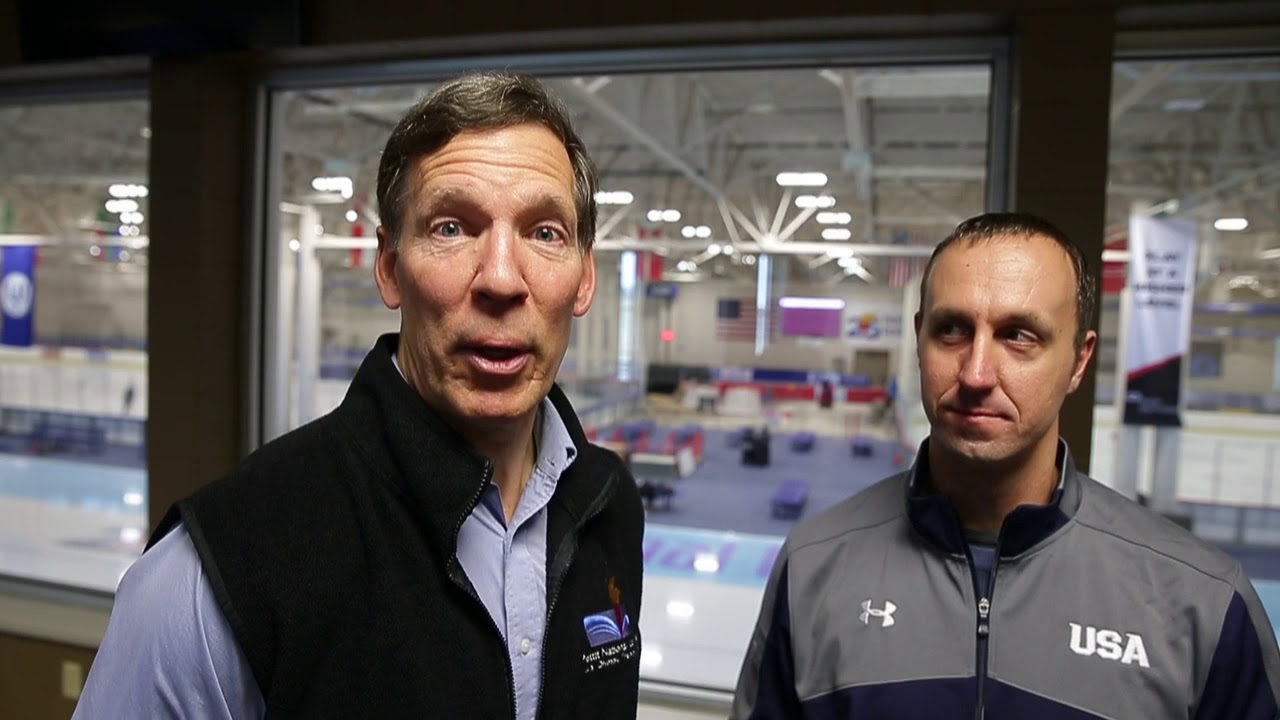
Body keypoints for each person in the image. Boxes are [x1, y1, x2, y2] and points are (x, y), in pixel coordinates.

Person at [75, 71, 645, 720]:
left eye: (545, 232)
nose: (501, 279)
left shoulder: (610, 510)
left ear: (584, 276)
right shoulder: (215, 577)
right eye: (452, 228)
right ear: (388, 265)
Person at [733, 212, 1280, 718]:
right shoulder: (812, 567)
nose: (975, 373)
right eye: (952, 330)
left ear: (1078, 361)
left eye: (1019, 335)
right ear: (920, 338)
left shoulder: (1203, 604)